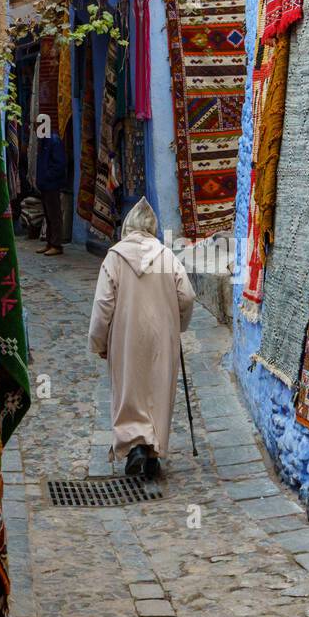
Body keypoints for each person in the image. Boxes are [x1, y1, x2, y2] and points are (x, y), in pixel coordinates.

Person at [88, 198, 195, 479]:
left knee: (129, 388)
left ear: (128, 227)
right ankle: (152, 453)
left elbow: (103, 304)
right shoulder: (166, 256)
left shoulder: (114, 257)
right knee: (158, 390)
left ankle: (134, 445)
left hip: (125, 337)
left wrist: (99, 342)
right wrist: (178, 326)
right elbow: (187, 295)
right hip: (162, 337)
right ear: (152, 228)